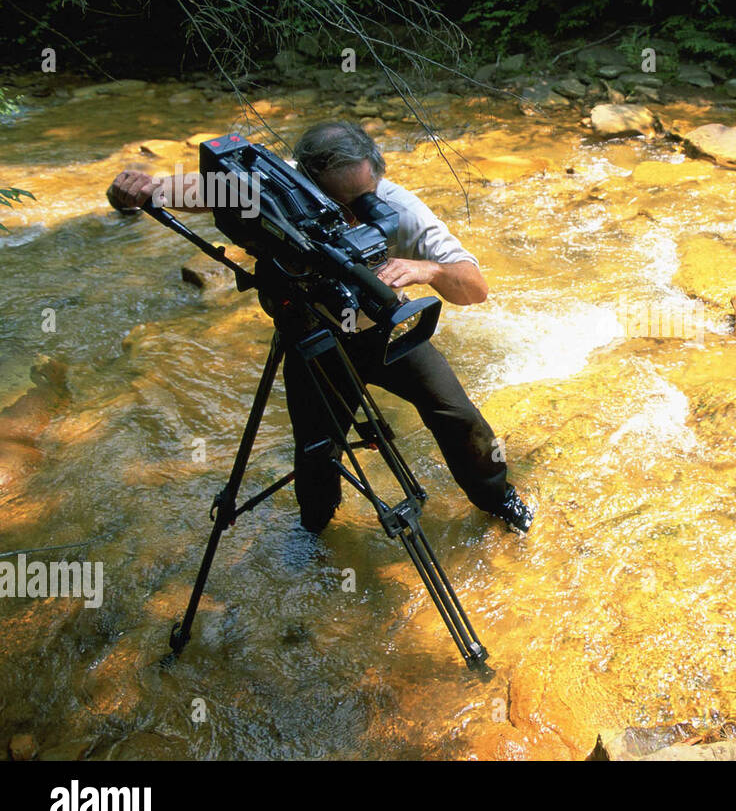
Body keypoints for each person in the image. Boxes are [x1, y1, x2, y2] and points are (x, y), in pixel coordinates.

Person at [107, 121, 534, 534]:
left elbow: (475, 288)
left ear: (376, 175)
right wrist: (150, 188)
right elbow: (209, 189)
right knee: (316, 453)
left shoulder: (398, 206)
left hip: (384, 331)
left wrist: (427, 269)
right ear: (308, 181)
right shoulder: (279, 190)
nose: (350, 213)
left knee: (458, 417)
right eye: (338, 202)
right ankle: (318, 526)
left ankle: (498, 499)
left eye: (362, 199)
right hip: (313, 338)